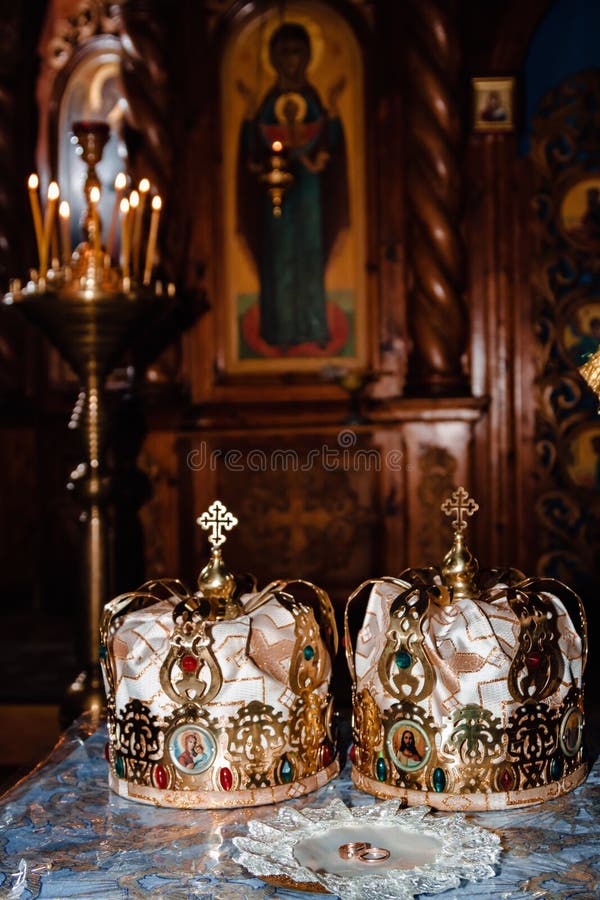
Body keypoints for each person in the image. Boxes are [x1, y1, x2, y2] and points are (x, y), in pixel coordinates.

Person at [237, 22, 349, 350]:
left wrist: (332, 112)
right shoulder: (269, 102)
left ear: (308, 56)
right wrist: (249, 114)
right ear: (273, 58)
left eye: (297, 52)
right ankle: (280, 330)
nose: (290, 60)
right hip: (276, 194)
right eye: (284, 53)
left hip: (310, 190)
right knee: (279, 258)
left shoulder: (312, 99)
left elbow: (330, 141)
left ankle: (313, 326)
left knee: (310, 257)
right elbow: (254, 147)